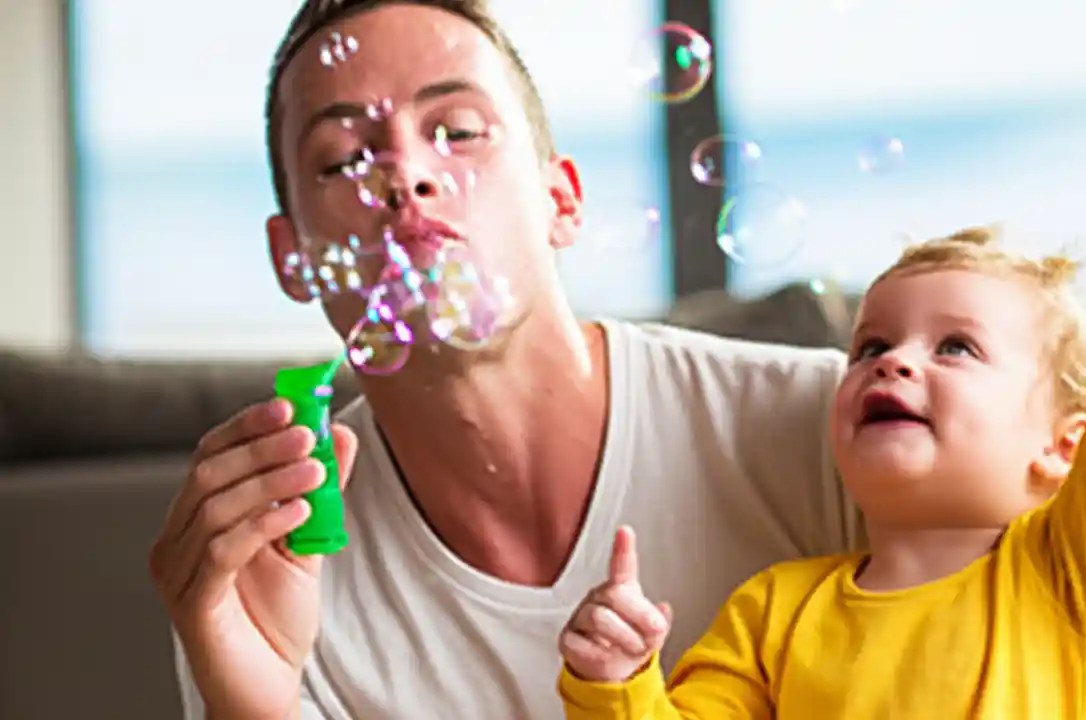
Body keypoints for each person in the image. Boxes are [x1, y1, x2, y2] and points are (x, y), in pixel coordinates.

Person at [147, 1, 858, 718]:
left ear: (561, 200)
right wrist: (256, 703)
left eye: (456, 132)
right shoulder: (274, 564)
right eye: (343, 160)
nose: (406, 176)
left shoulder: (831, 434)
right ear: (292, 256)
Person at [555, 49, 1086, 718]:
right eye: (872, 345)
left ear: (1064, 447)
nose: (894, 361)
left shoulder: (1068, 575)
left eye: (956, 347)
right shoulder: (772, 613)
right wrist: (619, 685)